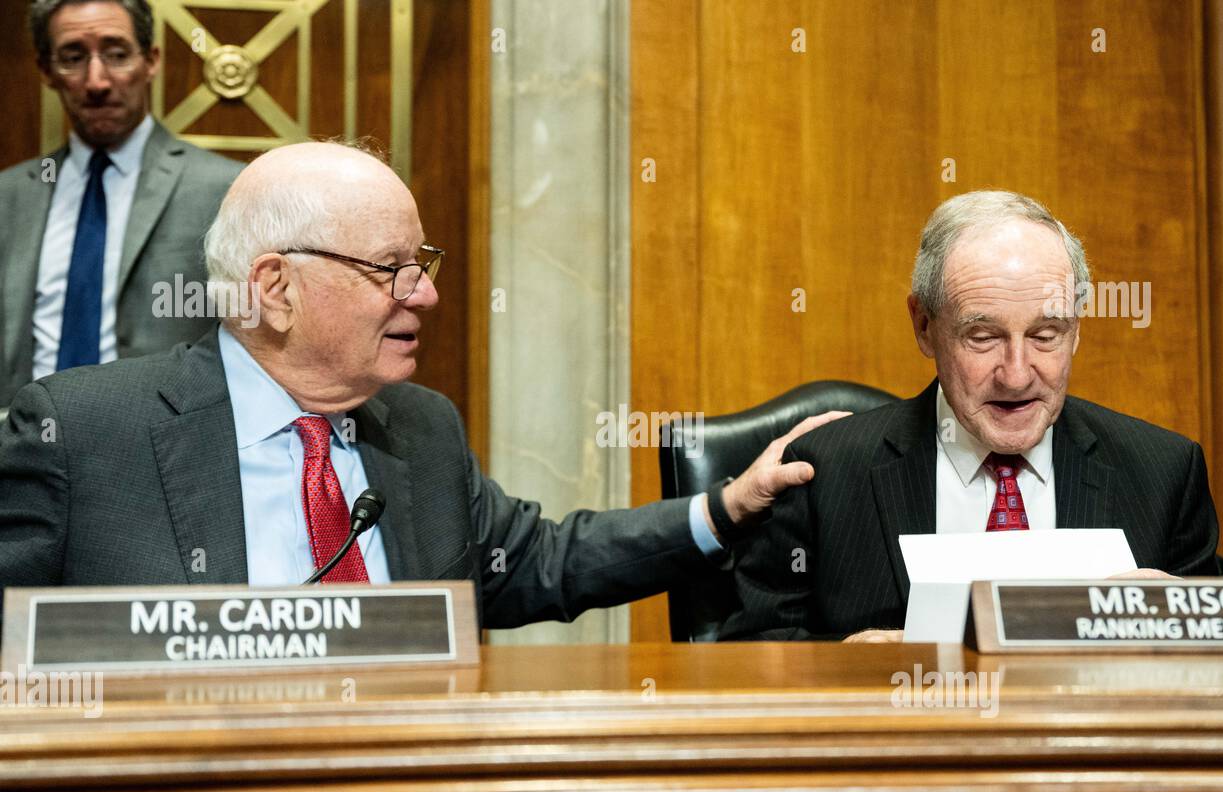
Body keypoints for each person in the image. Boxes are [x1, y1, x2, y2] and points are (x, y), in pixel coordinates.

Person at [0, 141, 842, 632]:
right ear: (274, 286)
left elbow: (536, 562)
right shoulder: (82, 435)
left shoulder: (420, 427)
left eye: (422, 264)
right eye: (390, 269)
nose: (426, 294)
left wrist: (725, 507)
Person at [721, 189, 1223, 641]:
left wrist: (1186, 625)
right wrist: (847, 664)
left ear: (1077, 330)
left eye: (1045, 335)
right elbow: (748, 654)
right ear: (924, 326)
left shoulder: (1163, 472)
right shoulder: (825, 472)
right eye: (982, 337)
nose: (1016, 374)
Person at [0, 0, 242, 409]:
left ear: (150, 60)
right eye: (73, 58)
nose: (97, 81)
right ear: (45, 71)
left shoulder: (226, 188)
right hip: (24, 445)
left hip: (162, 450)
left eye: (116, 54)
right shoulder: (10, 194)